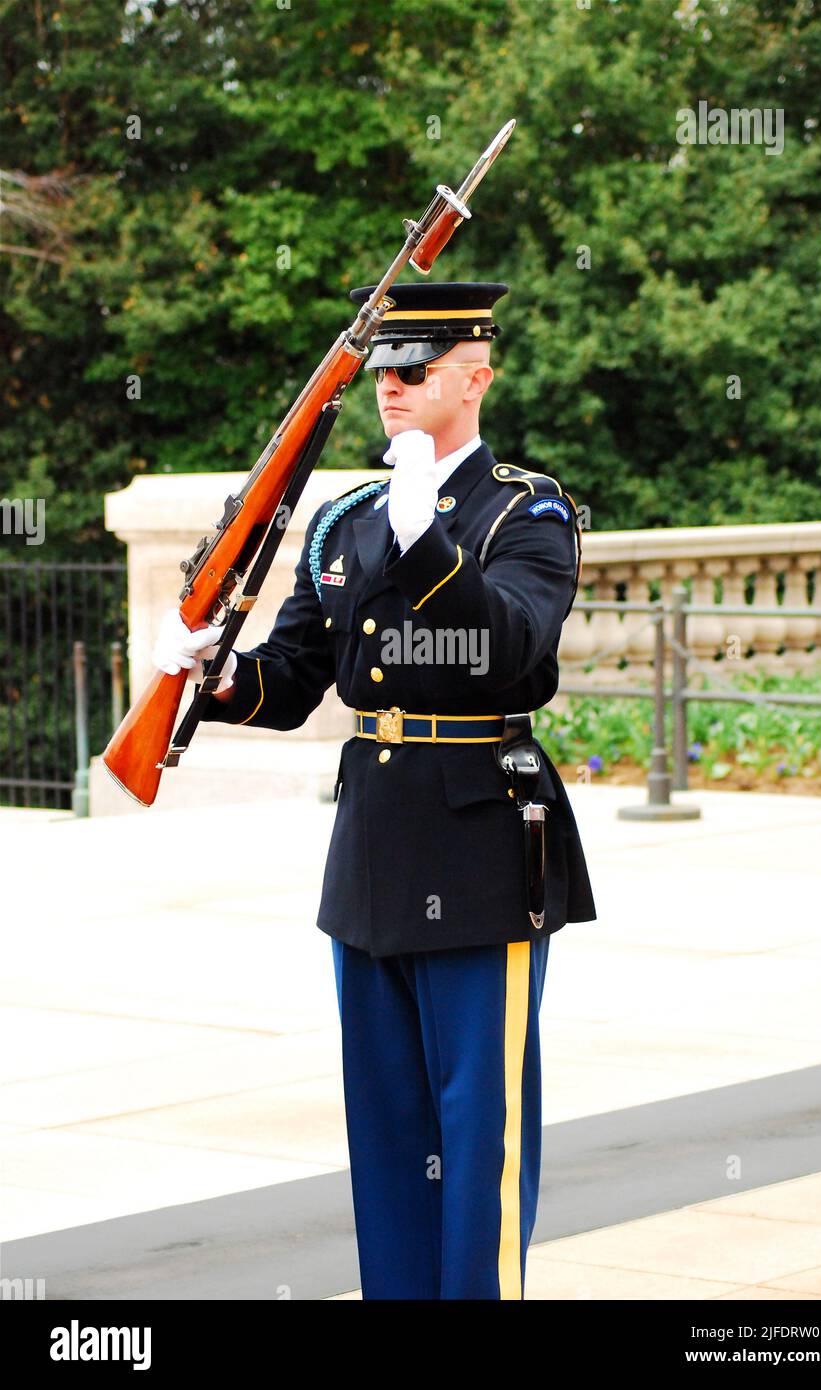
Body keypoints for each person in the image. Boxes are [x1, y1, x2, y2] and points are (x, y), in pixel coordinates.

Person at [151, 281, 597, 1300]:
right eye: (381, 369)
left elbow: (513, 653)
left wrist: (428, 544)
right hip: (374, 854)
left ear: (474, 377)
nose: (388, 386)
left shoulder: (525, 511)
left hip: (483, 848)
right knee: (390, 1133)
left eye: (413, 369)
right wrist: (211, 675)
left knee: (476, 1135)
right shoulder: (346, 519)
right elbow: (297, 672)